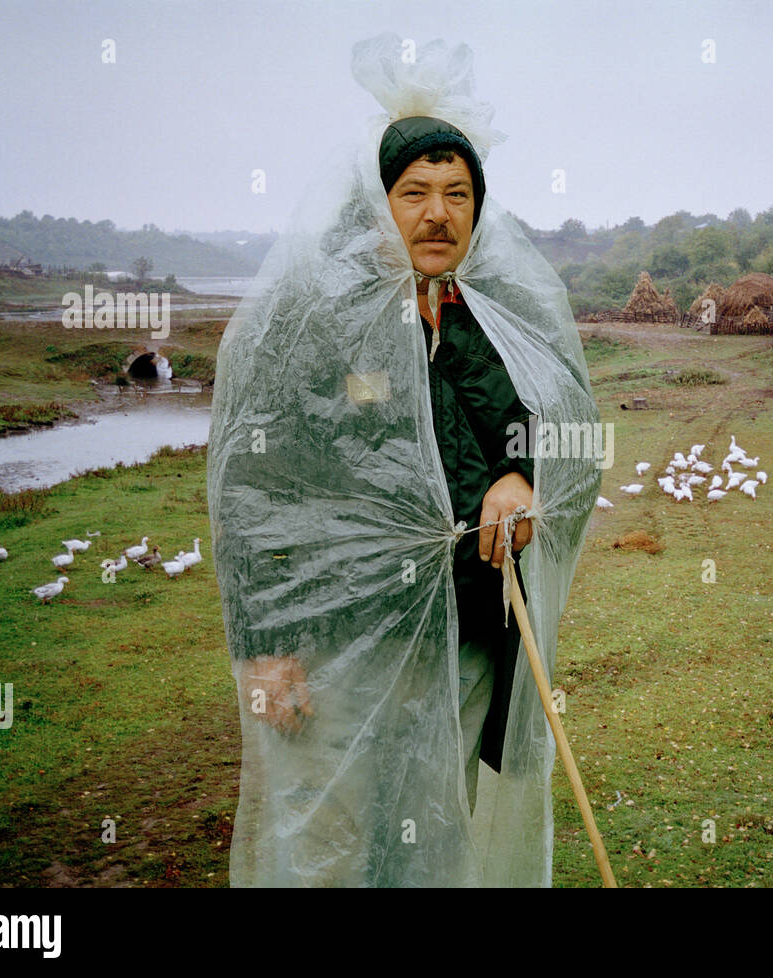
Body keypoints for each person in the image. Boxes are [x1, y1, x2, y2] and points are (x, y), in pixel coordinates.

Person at [208, 34, 602, 887]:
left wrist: (521, 475)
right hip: (335, 643)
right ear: (375, 202)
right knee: (329, 843)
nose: (437, 213)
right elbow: (249, 488)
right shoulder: (311, 322)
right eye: (414, 192)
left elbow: (568, 428)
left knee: (428, 840)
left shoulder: (497, 320)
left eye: (458, 193)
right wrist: (263, 651)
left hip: (461, 644)